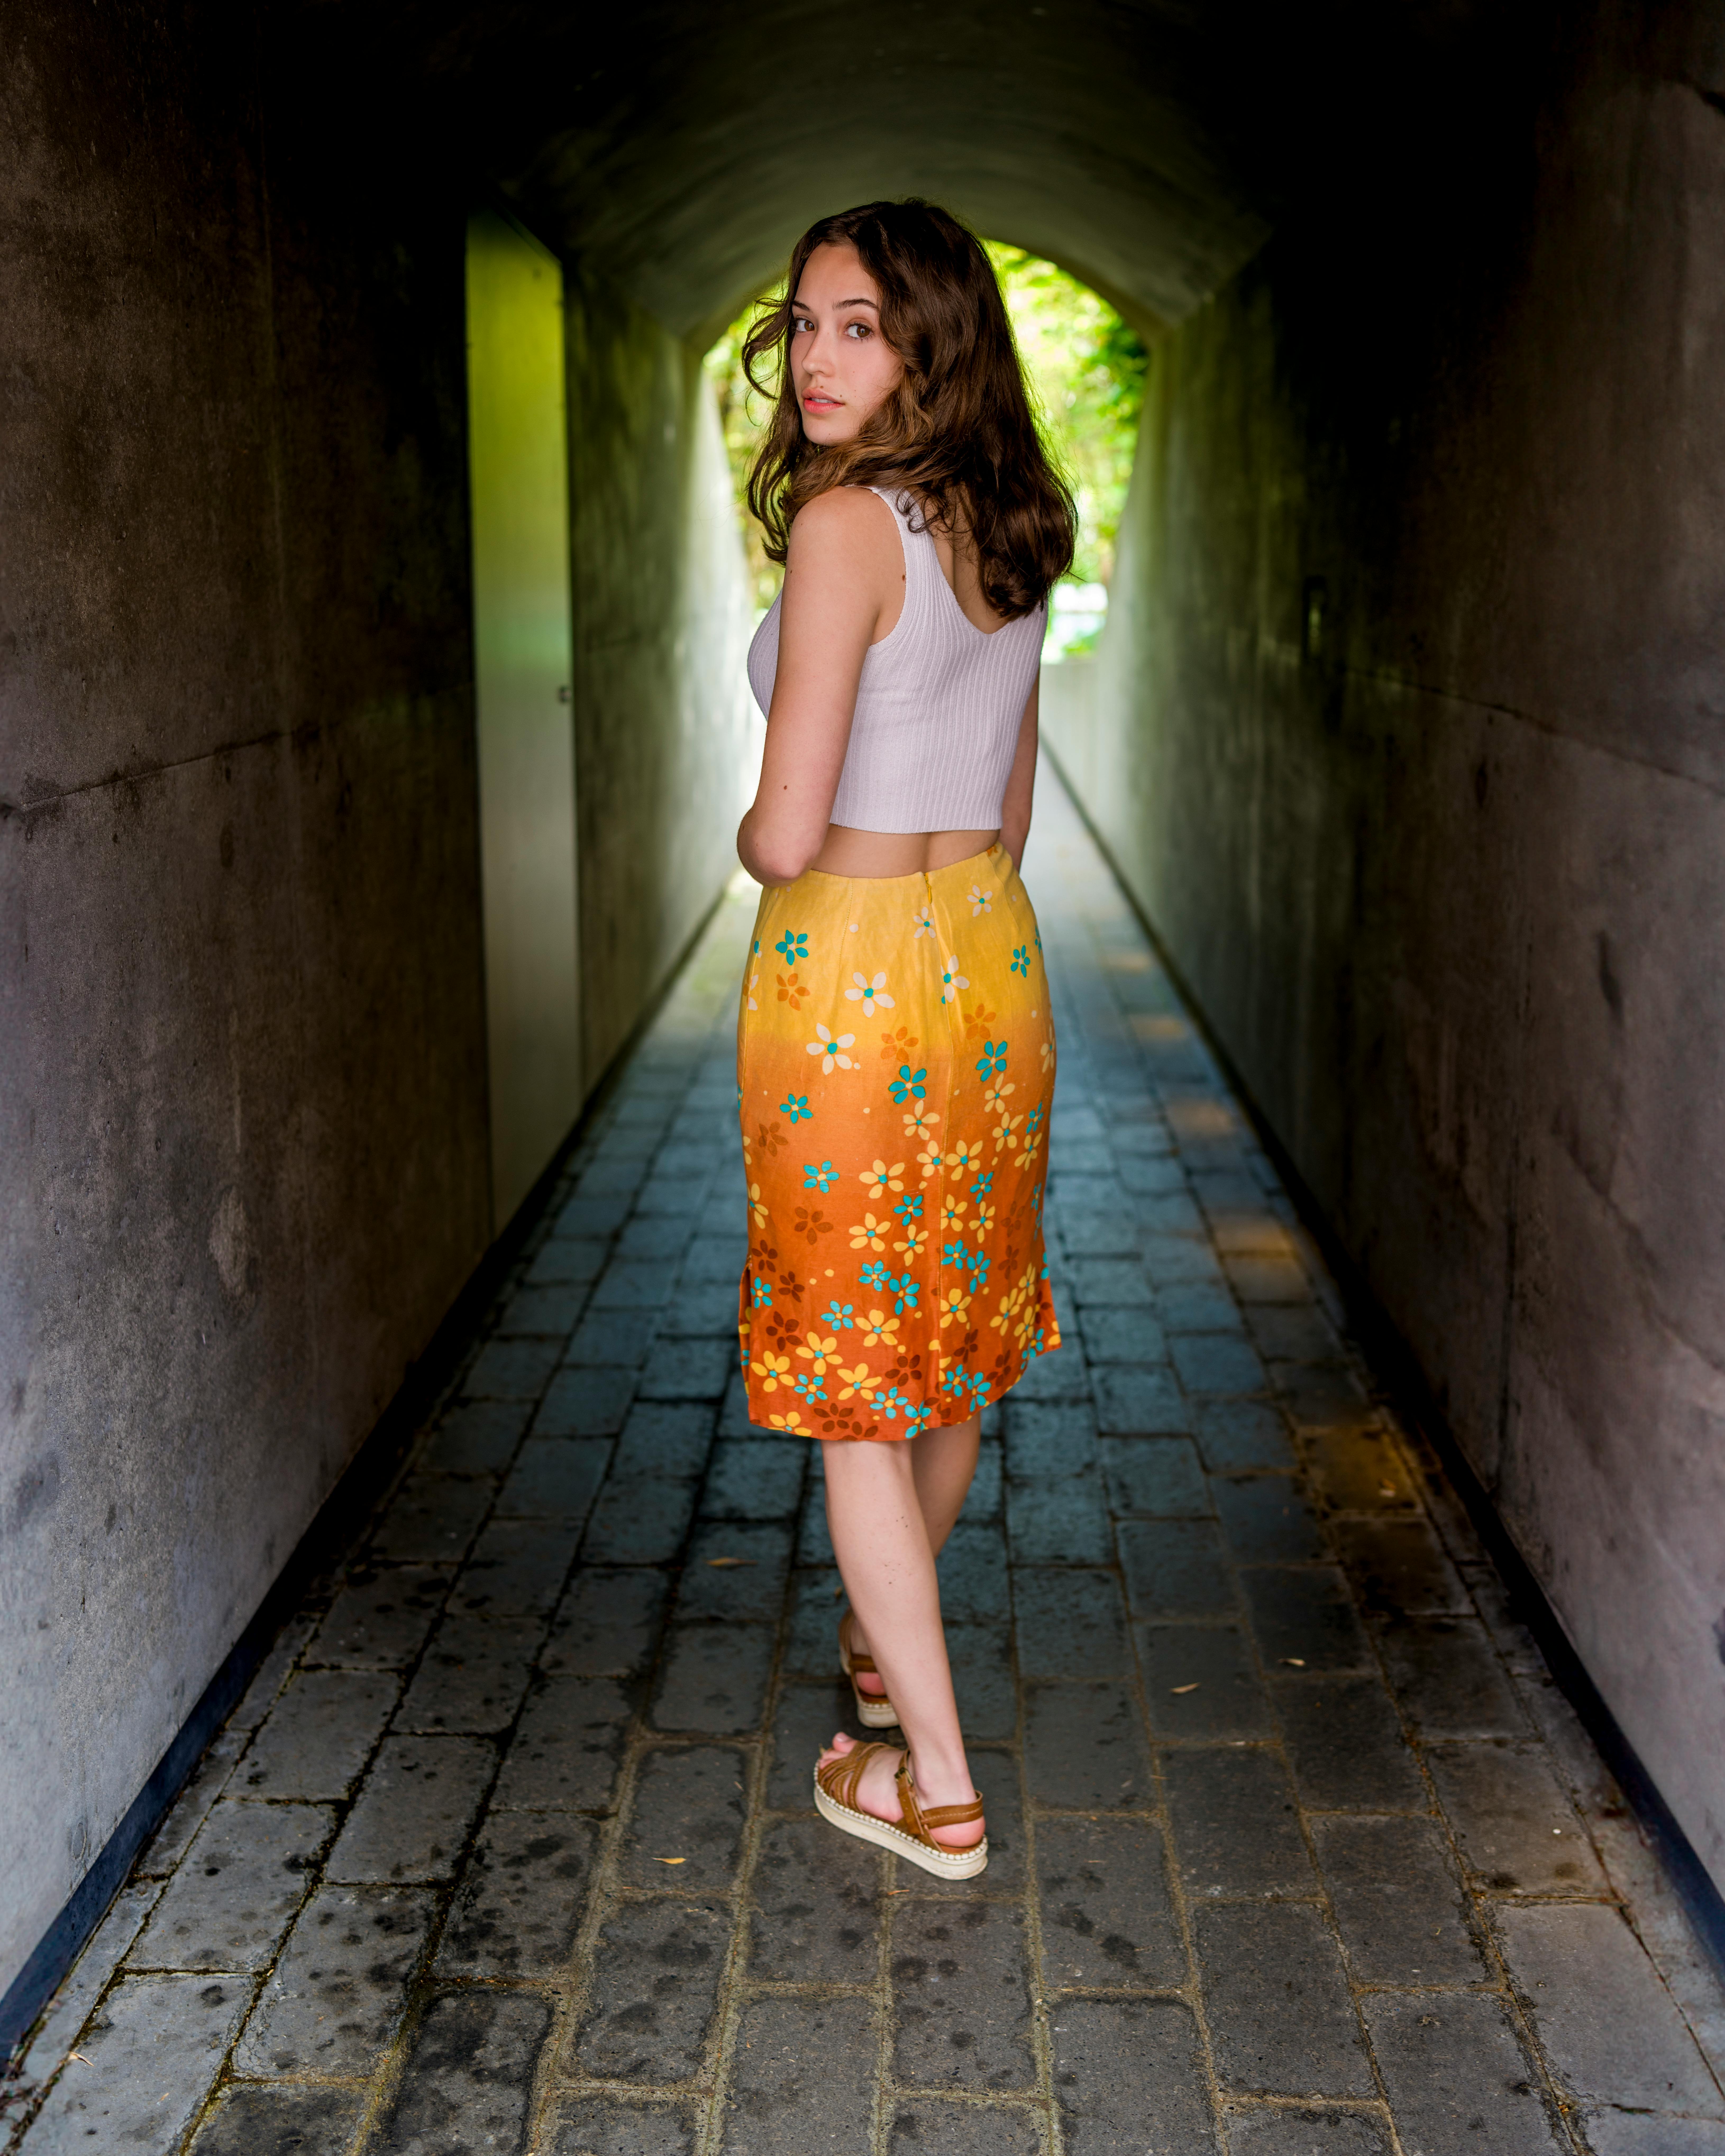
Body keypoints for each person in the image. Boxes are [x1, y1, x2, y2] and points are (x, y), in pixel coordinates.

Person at [733, 199, 1074, 1879]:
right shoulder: (1014, 526)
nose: (815, 357)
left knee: (861, 1382)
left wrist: (754, 834)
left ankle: (931, 1783)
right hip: (988, 961)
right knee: (949, 1331)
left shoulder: (845, 533)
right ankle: (892, 1639)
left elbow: (788, 833)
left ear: (931, 339)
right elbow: (1010, 805)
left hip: (850, 974)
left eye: (857, 324)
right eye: (801, 324)